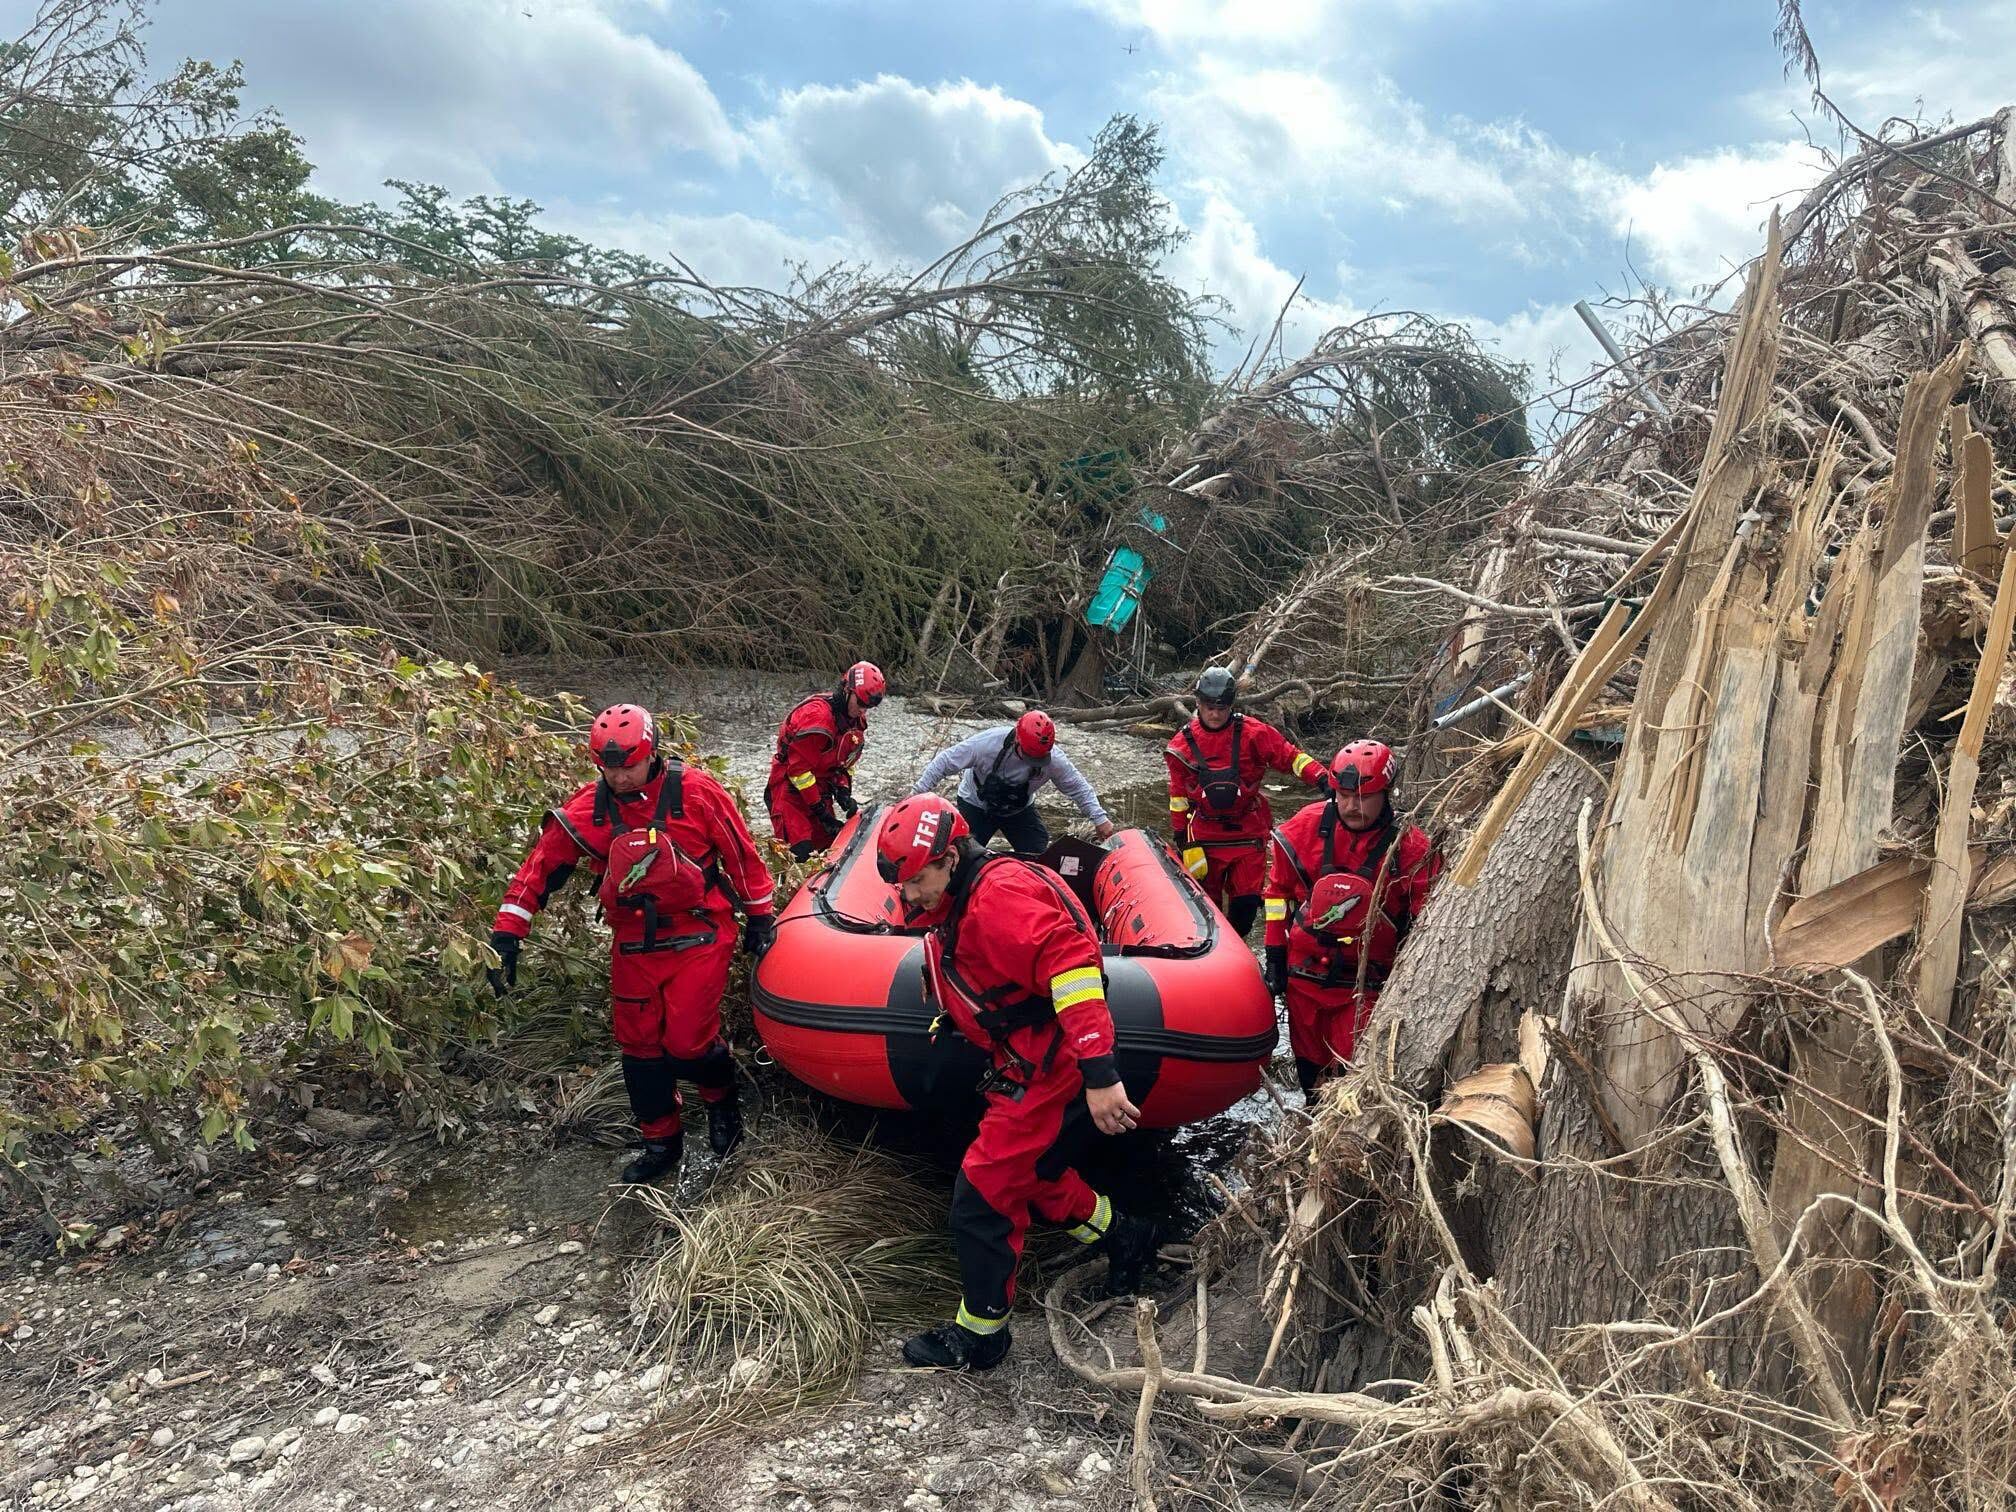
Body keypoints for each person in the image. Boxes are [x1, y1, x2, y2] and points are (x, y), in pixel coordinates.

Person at [875, 794, 1156, 1371]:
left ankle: (982, 1336)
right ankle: (1126, 1236)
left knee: (982, 1193)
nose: (909, 896)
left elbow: (1075, 972)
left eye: (918, 880)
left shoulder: (997, 898)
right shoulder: (960, 895)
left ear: (952, 858)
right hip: (1022, 1056)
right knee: (1039, 1177)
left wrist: (1100, 1075)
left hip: (1050, 1064)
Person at [489, 704, 777, 1183]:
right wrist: (507, 933)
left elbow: (742, 855)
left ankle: (722, 1105)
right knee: (640, 1047)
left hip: (701, 931)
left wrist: (760, 917)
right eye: (609, 768)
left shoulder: (697, 793)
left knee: (686, 1043)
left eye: (628, 766)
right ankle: (661, 1142)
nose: (619, 777)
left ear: (652, 754)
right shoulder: (590, 808)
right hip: (635, 941)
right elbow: (539, 870)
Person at [1263, 740, 1440, 1099]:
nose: (1350, 806)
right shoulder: (1305, 827)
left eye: (1362, 796)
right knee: (1310, 1074)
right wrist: (1274, 954)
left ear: (1385, 793)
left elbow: (1427, 919)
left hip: (1366, 984)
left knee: (1351, 1078)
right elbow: (1277, 893)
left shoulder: (1411, 848)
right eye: (1343, 795)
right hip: (1305, 976)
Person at [1164, 666, 1331, 936]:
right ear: (1198, 704)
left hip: (1247, 833)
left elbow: (1290, 757)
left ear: (1231, 704)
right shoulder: (1182, 746)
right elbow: (1178, 795)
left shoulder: (1254, 733)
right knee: (1207, 910)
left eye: (1222, 707)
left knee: (1246, 906)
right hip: (1205, 836)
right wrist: (1181, 835)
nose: (1216, 713)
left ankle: (1239, 949)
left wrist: (1323, 779)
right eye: (1209, 707)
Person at [912, 710, 1116, 854]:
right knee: (961, 856)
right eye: (1028, 756)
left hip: (1018, 811)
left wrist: (1100, 818)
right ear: (1018, 739)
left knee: (1038, 852)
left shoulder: (1055, 760)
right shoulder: (985, 745)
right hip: (976, 805)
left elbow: (1078, 788)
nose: (1032, 762)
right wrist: (916, 796)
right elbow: (944, 762)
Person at [765, 661, 885, 861]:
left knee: (828, 852)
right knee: (800, 854)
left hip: (819, 789)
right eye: (862, 704)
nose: (863, 711)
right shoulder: (817, 720)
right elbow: (798, 771)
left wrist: (843, 791)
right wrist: (820, 810)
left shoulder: (854, 722)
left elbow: (845, 764)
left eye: (868, 707)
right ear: (847, 690)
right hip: (790, 793)